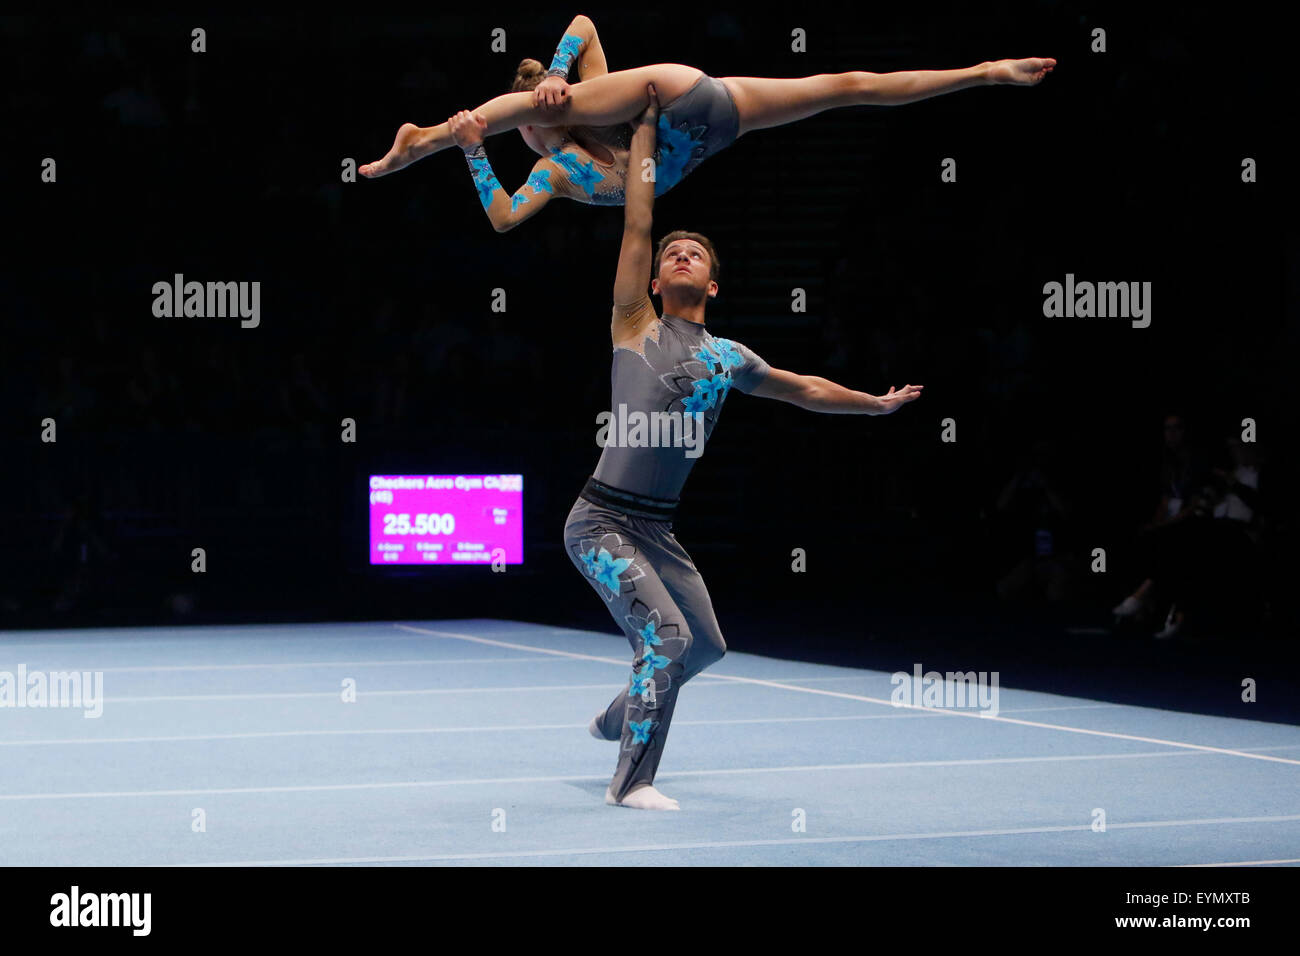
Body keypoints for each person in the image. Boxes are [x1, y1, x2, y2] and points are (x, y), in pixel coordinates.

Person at [568, 84, 923, 810]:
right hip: (601, 522)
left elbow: (805, 389)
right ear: (658, 280)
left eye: (693, 251)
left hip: (656, 530)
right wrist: (642, 137)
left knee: (705, 644)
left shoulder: (731, 357)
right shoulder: (633, 324)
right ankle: (632, 782)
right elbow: (638, 227)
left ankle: (616, 716)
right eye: (672, 253)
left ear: (714, 282)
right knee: (665, 638)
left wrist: (873, 404)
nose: (679, 254)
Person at [360, 15, 1055, 231]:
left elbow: (582, 23)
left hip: (673, 94)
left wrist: (557, 72)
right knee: (843, 88)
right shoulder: (557, 170)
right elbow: (505, 220)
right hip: (716, 118)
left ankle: (416, 141)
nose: (530, 136)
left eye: (524, 134)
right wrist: (479, 156)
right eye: (524, 133)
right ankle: (985, 76)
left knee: (555, 103)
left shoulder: (572, 108)